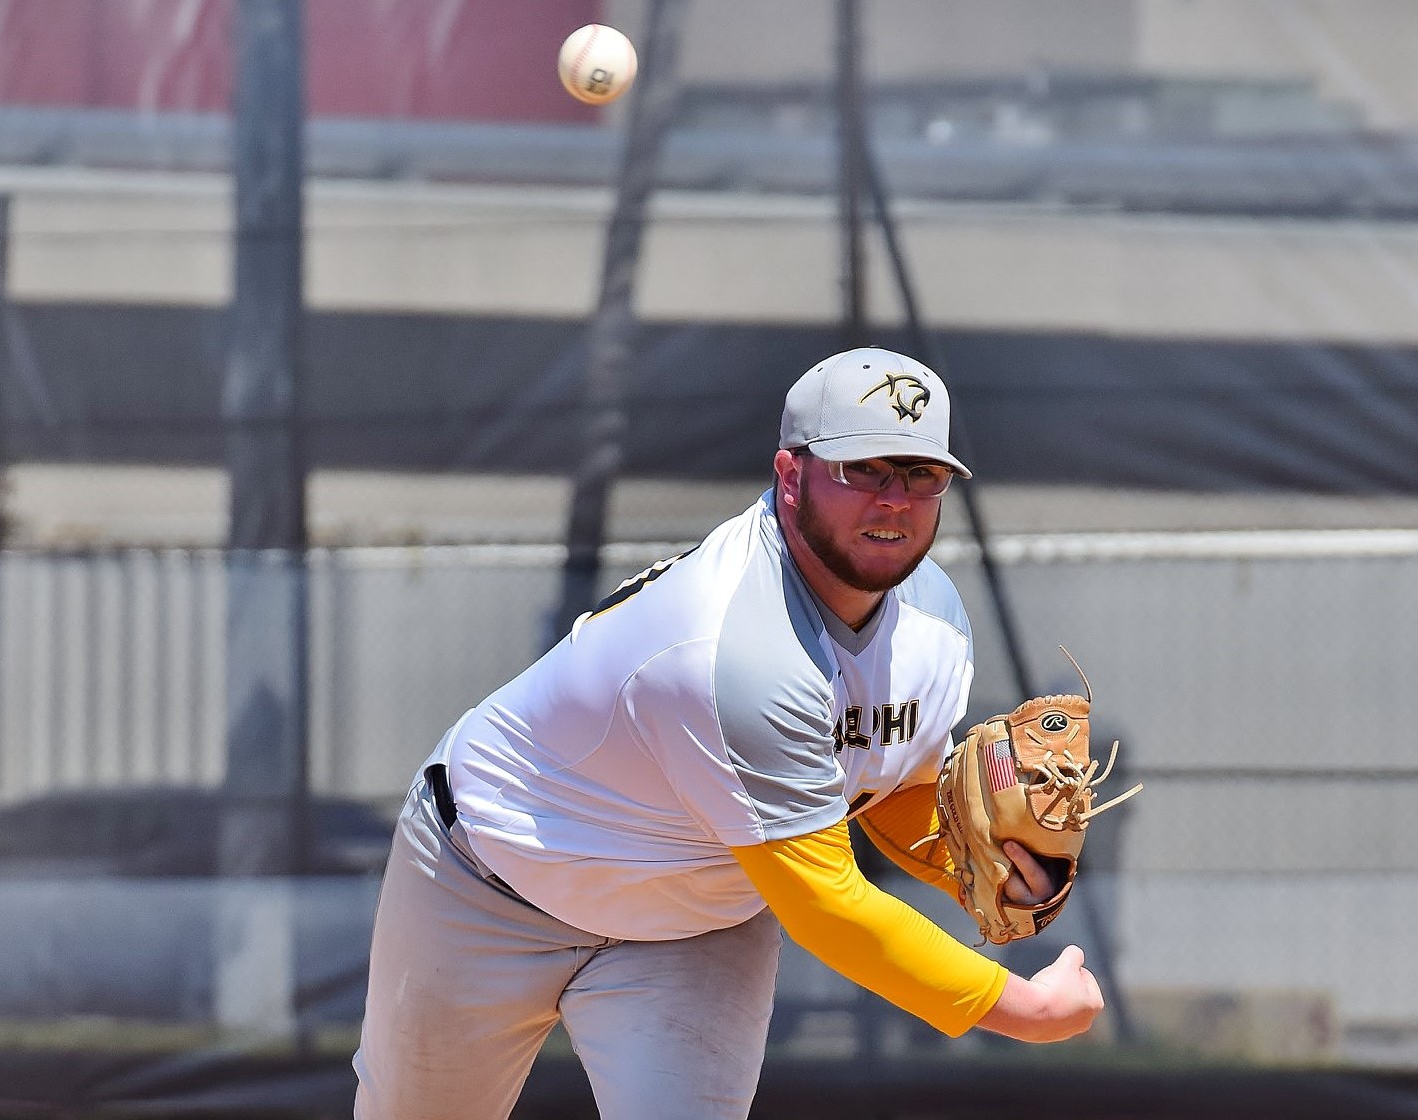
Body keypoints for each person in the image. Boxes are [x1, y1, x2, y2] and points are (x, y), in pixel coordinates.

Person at [353, 347, 1104, 1120]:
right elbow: (826, 907)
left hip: (695, 927)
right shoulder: (733, 649)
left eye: (922, 474)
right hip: (490, 882)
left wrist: (980, 870)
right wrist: (1022, 1008)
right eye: (863, 469)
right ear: (788, 475)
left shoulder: (934, 622)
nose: (895, 499)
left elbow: (885, 786)